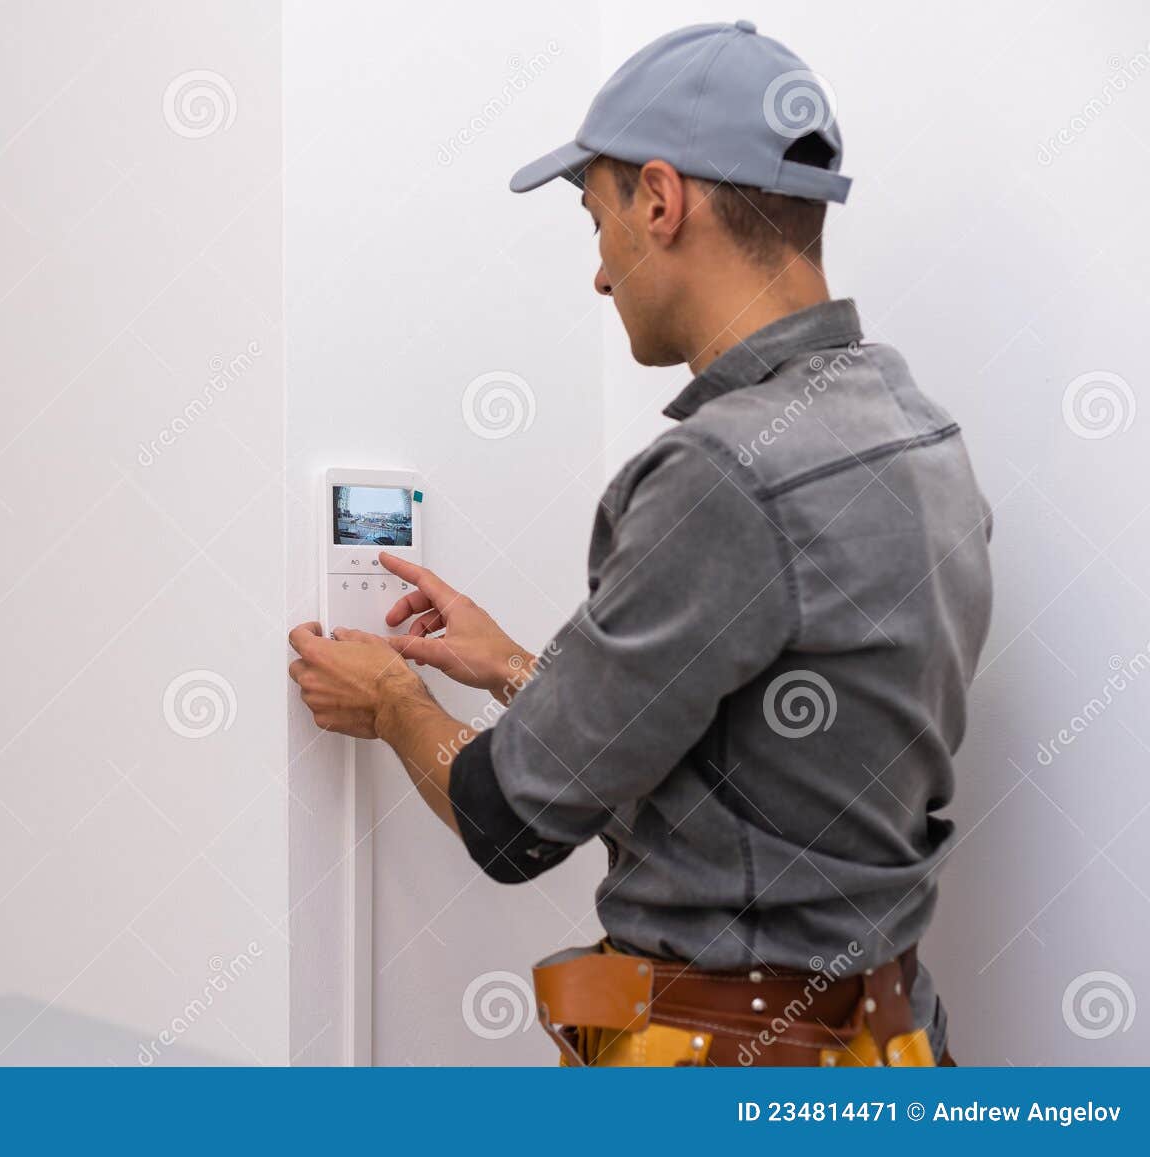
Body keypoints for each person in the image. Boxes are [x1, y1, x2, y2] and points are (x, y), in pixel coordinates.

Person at [287, 20, 991, 1067]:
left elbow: (509, 822)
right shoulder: (915, 428)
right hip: (889, 1044)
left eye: (596, 220)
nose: (600, 276)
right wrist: (522, 671)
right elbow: (754, 767)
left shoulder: (724, 468)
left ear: (661, 201)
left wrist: (394, 704)